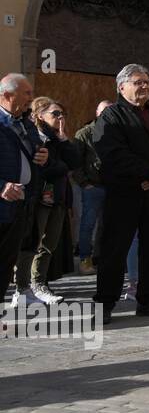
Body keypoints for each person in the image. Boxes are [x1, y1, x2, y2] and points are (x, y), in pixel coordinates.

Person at [92, 64, 149, 324]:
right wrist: (147, 175)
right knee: (115, 249)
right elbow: (113, 154)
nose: (144, 86)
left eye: (147, 82)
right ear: (122, 87)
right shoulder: (112, 117)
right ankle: (105, 304)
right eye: (137, 82)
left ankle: (148, 300)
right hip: (123, 193)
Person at [13, 97, 81, 307]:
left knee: (49, 244)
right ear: (40, 115)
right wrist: (59, 166)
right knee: (32, 243)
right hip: (38, 198)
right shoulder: (34, 136)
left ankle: (39, 284)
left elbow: (75, 162)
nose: (60, 118)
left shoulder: (56, 138)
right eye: (55, 114)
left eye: (62, 114)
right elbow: (44, 168)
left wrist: (63, 139)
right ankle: (22, 287)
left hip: (58, 197)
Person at [0, 74, 40, 310]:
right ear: (6, 95)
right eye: (26, 93)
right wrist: (1, 186)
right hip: (3, 202)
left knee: (6, 262)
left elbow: (33, 150)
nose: (30, 98)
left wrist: (41, 156)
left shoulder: (25, 123)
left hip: (21, 205)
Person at [72, 100, 113, 274]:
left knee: (109, 225)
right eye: (103, 111)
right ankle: (84, 260)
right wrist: (84, 183)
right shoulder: (84, 134)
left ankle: (103, 258)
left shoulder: (117, 134)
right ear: (97, 112)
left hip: (112, 187)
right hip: (93, 187)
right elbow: (75, 162)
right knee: (88, 224)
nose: (106, 115)